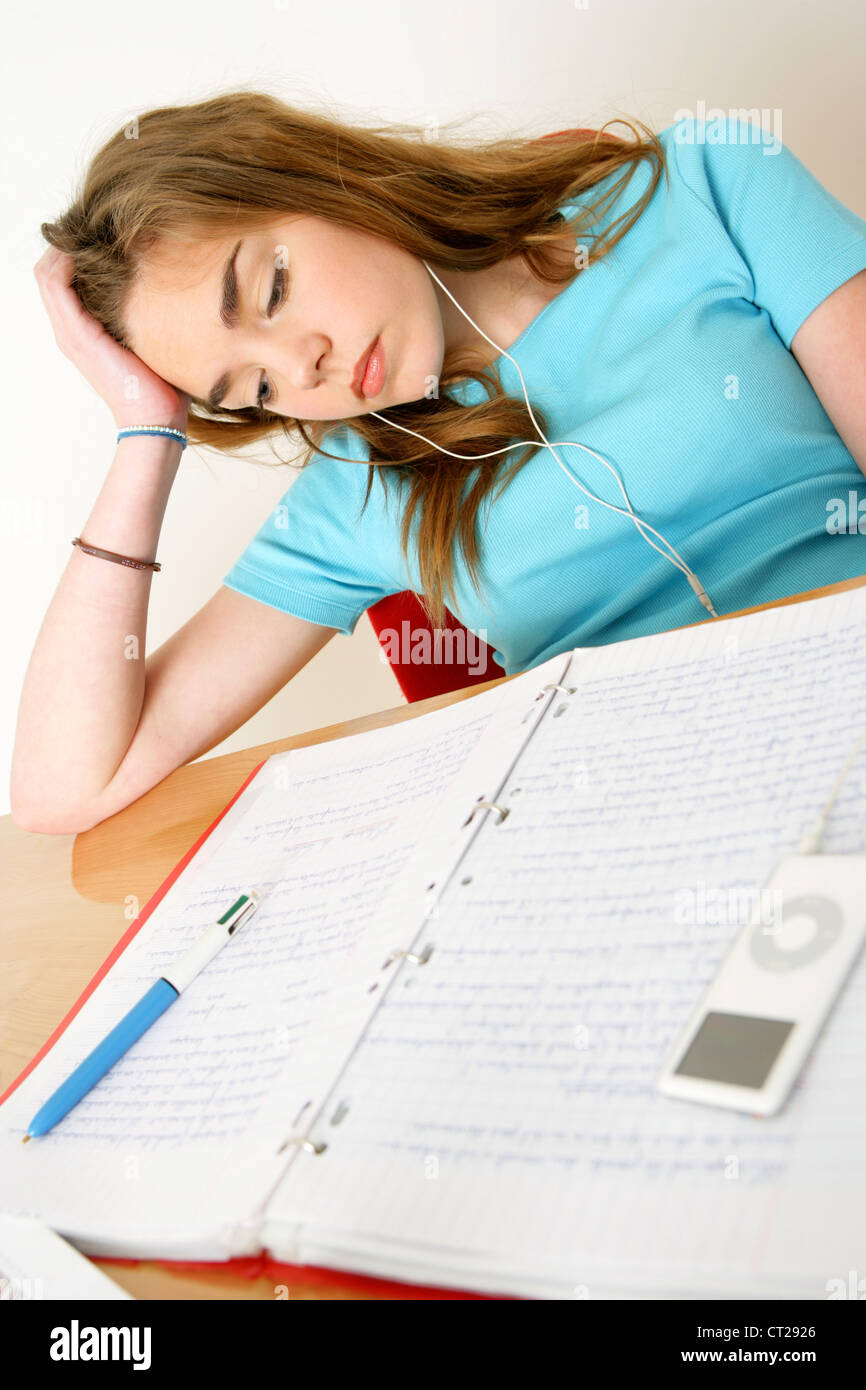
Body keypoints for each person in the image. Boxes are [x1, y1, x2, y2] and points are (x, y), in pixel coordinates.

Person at [11, 91, 866, 834]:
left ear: (320, 177)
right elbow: (64, 791)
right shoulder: (357, 486)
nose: (304, 367)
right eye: (254, 386)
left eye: (271, 291)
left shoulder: (706, 183)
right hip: (640, 826)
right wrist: (145, 432)